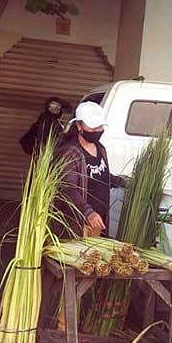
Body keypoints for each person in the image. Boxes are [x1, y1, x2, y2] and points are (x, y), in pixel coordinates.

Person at [56, 101, 124, 239]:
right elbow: (67, 188)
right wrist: (88, 212)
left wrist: (124, 182)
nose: (98, 130)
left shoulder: (100, 148)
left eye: (100, 126)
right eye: (93, 127)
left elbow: (102, 176)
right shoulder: (70, 152)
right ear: (79, 125)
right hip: (81, 224)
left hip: (99, 222)